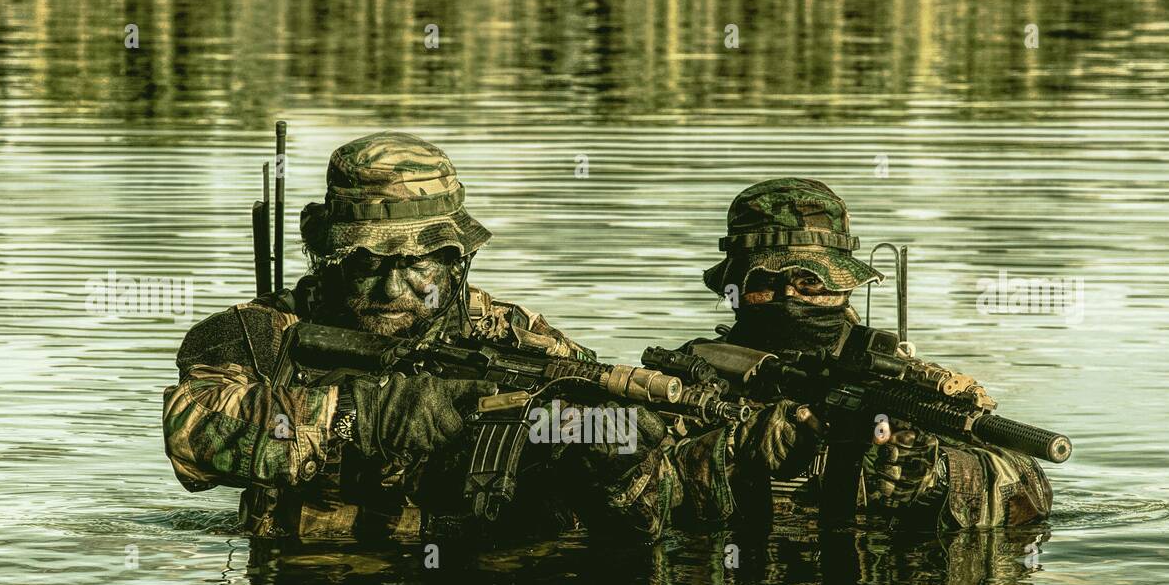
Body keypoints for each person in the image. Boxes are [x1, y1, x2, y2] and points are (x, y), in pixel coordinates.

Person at [162, 132, 789, 544]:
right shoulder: (262, 333)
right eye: (367, 261)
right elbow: (194, 437)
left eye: (421, 262)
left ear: (458, 259)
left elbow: (654, 490)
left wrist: (629, 460)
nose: (392, 285)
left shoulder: (513, 338)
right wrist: (375, 414)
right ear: (331, 256)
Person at [686, 178, 1053, 531]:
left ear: (843, 285)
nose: (791, 298)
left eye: (810, 281)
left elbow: (1030, 492)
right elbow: (633, 493)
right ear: (732, 286)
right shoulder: (686, 376)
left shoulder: (897, 380)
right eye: (765, 282)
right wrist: (728, 452)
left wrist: (938, 475)